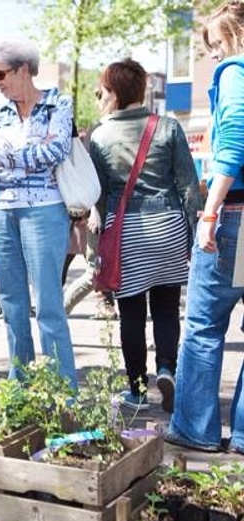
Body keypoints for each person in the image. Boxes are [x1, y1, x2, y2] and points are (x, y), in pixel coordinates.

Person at [90, 59, 201, 411]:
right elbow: (187, 186)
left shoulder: (101, 135)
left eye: (103, 90)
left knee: (132, 314)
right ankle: (167, 368)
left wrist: (99, 244)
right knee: (168, 309)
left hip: (129, 232)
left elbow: (100, 193)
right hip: (168, 226)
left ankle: (137, 390)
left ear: (114, 93)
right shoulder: (168, 127)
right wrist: (193, 234)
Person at [0, 41, 77, 390]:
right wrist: (25, 159)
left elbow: (55, 152)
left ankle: (63, 393)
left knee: (48, 304)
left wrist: (8, 156)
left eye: (0, 74)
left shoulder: (58, 104)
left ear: (23, 69)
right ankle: (21, 387)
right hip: (3, 214)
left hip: (44, 213)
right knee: (12, 305)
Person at [167, 2, 244, 454]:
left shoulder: (236, 71)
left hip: (233, 214)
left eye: (216, 45)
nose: (214, 56)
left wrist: (210, 212)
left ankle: (196, 428)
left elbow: (235, 136)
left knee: (203, 325)